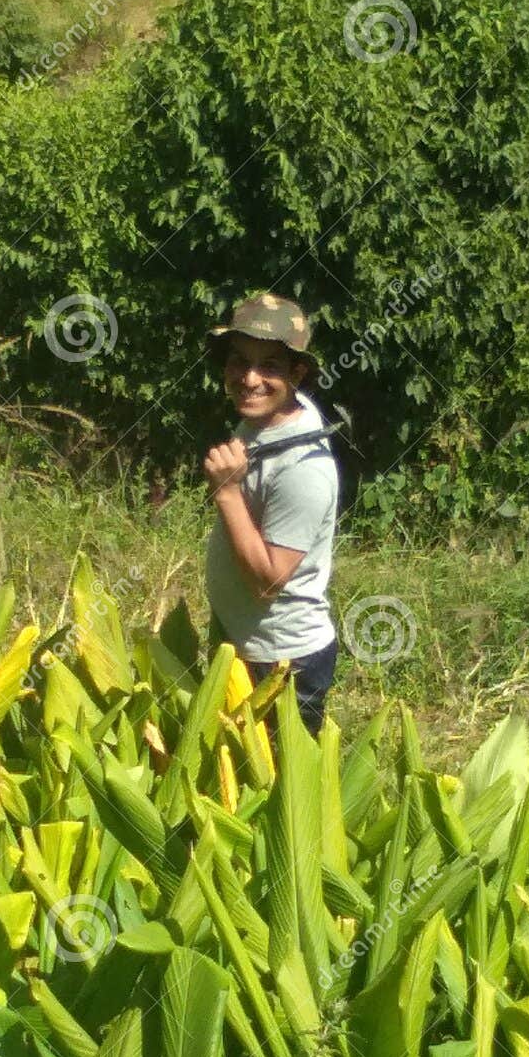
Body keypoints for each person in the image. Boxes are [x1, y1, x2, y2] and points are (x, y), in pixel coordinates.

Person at [203, 293, 339, 736]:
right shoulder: (266, 420)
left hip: (282, 663)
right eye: (239, 361)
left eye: (270, 366)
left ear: (297, 374)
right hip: (243, 645)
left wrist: (226, 492)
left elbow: (268, 581)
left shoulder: (305, 470)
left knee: (274, 794)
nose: (250, 378)